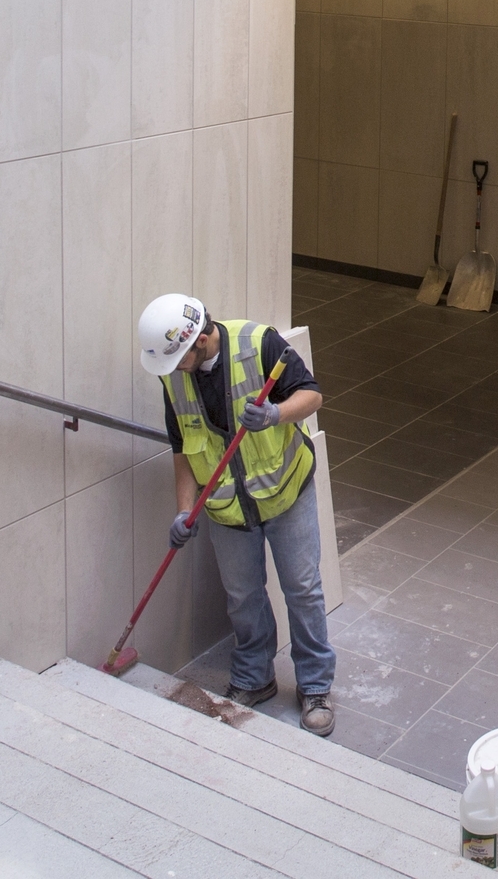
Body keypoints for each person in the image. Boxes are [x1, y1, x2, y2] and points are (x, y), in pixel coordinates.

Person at [138, 292, 337, 735]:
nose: (173, 371)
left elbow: (313, 395)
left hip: (285, 490)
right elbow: (182, 449)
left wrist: (276, 414)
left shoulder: (257, 343)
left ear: (202, 339)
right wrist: (184, 510)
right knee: (242, 595)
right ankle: (254, 678)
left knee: (302, 589)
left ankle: (315, 685)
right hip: (227, 505)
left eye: (178, 360)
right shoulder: (173, 376)